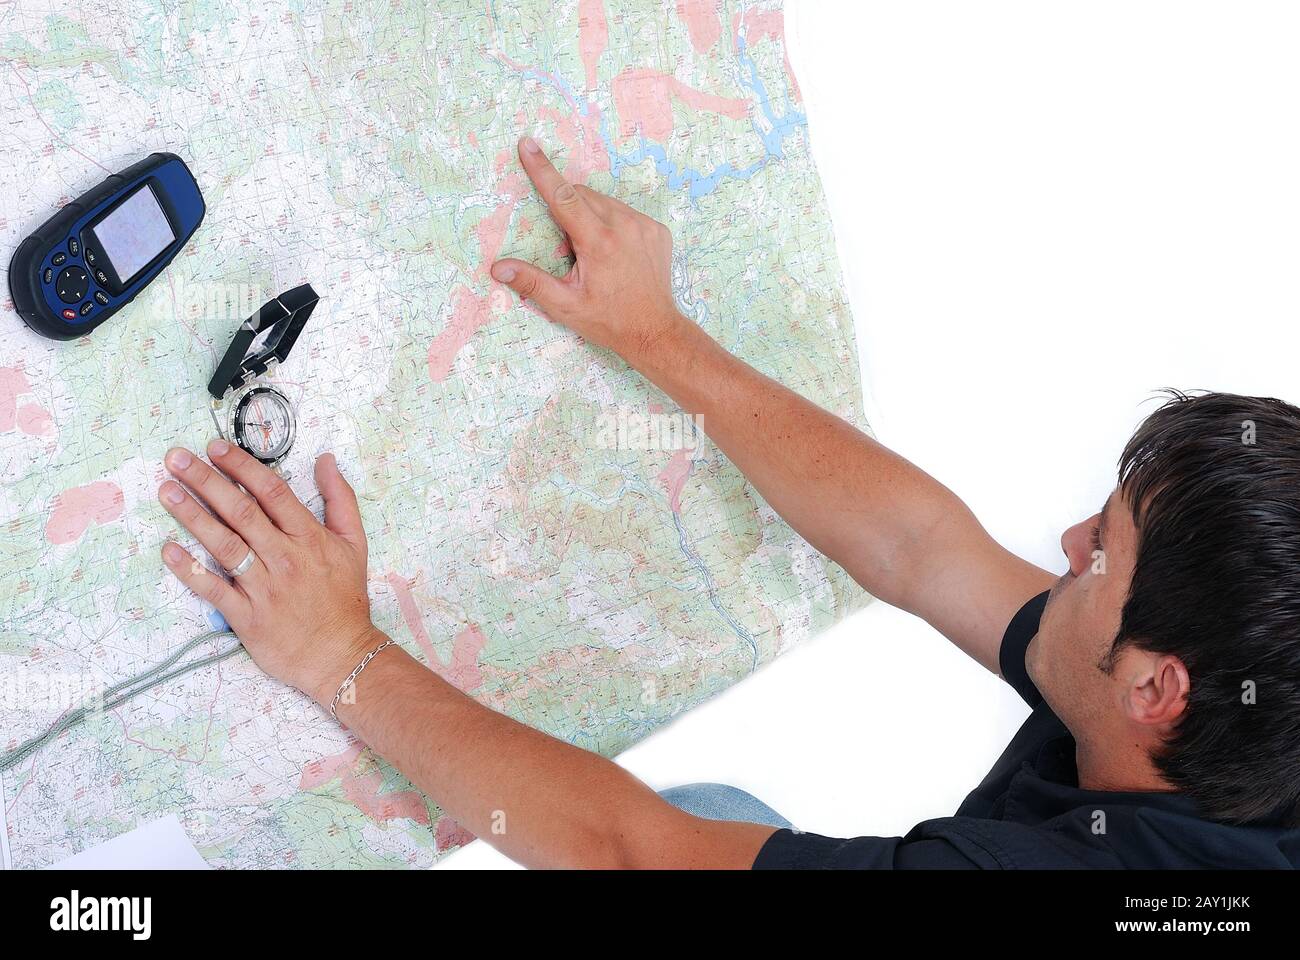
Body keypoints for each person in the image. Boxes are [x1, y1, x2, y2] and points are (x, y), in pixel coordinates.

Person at [156, 137, 1300, 868]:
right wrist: (656, 334)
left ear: (1158, 689)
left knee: (657, 829)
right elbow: (920, 547)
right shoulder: (1226, 713)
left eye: (1100, 549)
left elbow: (627, 854)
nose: (1061, 543)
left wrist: (339, 655)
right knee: (709, 801)